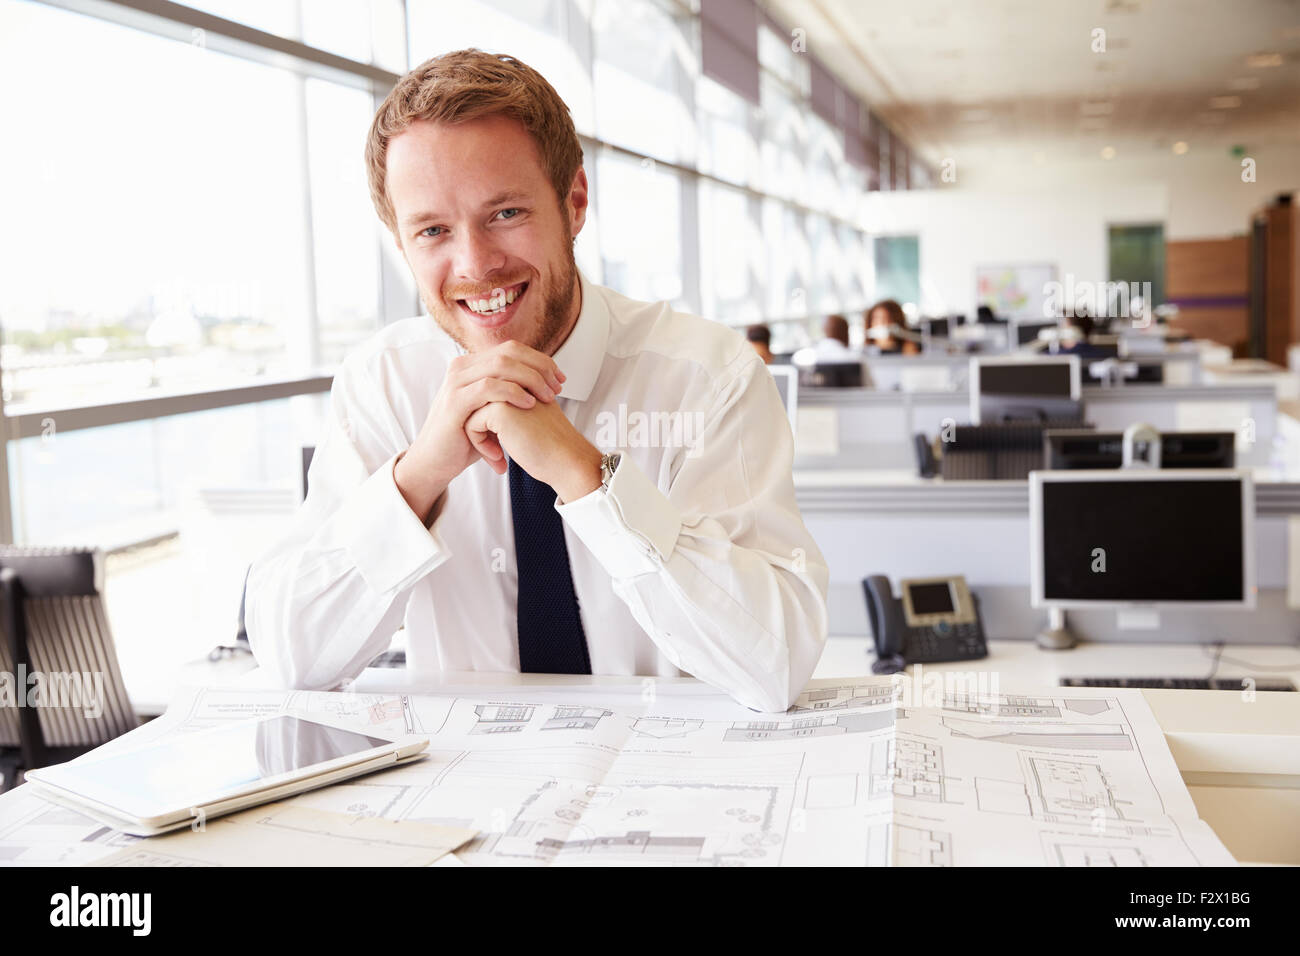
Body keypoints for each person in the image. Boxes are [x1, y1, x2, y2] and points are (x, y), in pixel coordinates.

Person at [244, 49, 829, 713]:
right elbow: (294, 655)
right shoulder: (386, 382)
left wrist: (587, 478)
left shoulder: (708, 377)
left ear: (574, 202)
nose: (475, 263)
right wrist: (420, 475)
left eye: (505, 214)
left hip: (672, 785)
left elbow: (775, 663)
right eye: (433, 229)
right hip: (466, 796)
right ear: (401, 243)